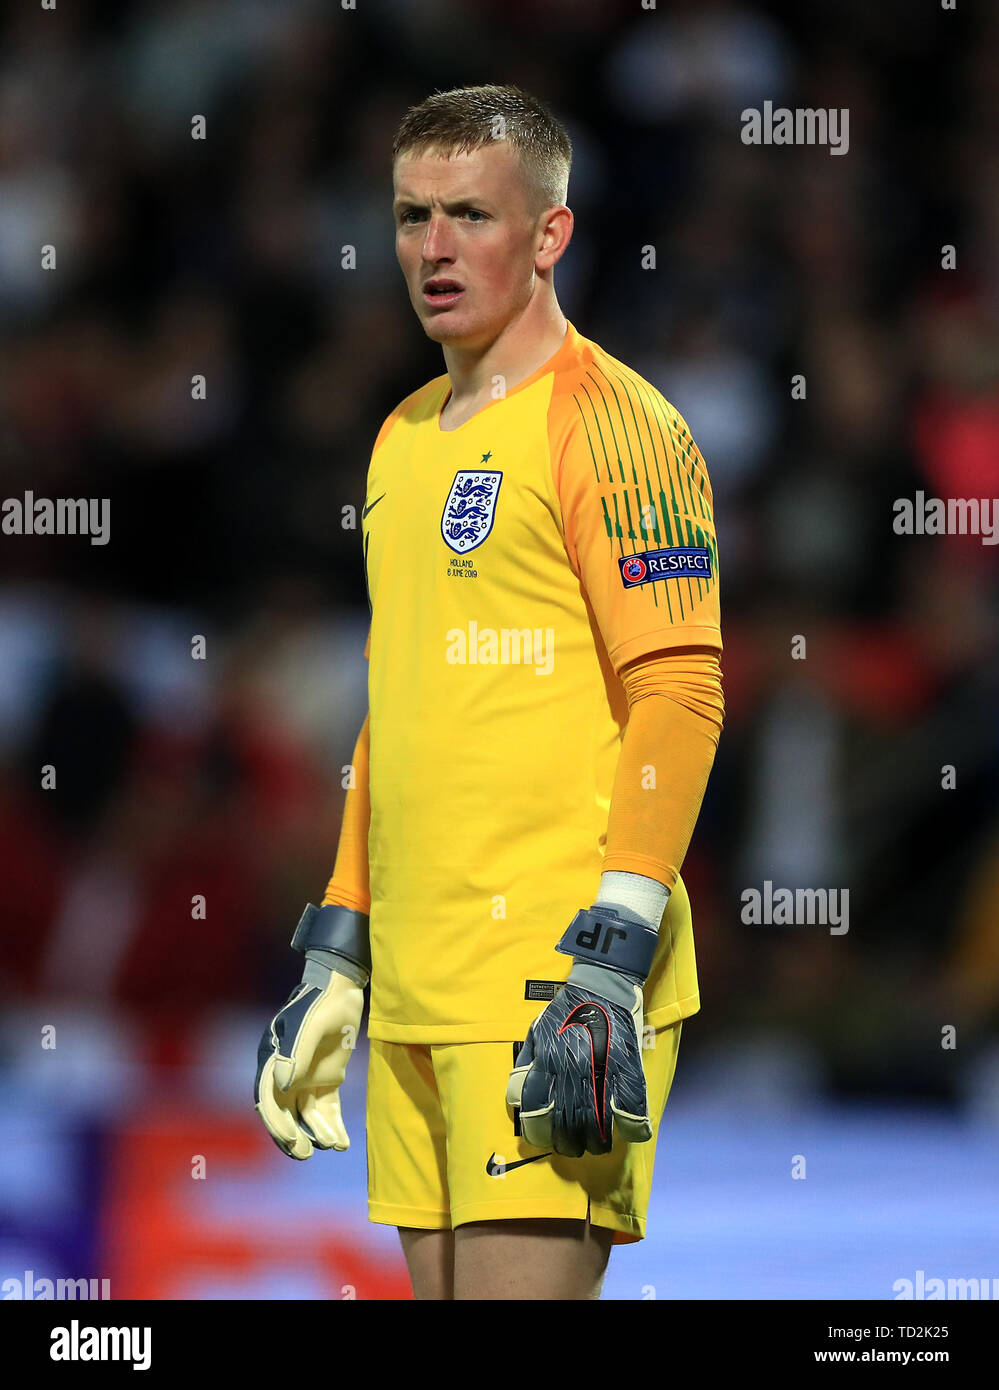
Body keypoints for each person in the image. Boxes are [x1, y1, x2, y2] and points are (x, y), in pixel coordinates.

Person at [255, 83, 724, 1301]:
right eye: (413, 216)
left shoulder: (616, 423)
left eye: (471, 214)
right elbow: (395, 697)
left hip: (554, 982)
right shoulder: (403, 435)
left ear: (551, 234)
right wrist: (342, 946)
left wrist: (614, 947)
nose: (435, 248)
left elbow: (680, 686)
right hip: (420, 983)